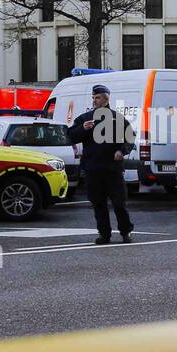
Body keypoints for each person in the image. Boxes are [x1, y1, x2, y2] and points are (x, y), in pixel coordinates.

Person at [68, 84, 135, 244]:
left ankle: (126, 232)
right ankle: (104, 234)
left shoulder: (117, 119)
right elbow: (70, 136)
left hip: (113, 169)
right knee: (98, 204)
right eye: (93, 97)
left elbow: (130, 139)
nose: (94, 100)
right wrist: (82, 129)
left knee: (119, 203)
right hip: (93, 169)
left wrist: (122, 151)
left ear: (106, 100)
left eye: (97, 97)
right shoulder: (85, 118)